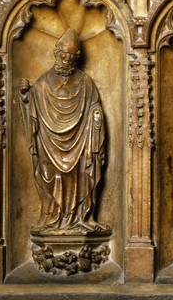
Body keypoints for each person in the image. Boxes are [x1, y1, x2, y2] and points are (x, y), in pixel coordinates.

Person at [19, 28, 108, 234]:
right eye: (63, 55)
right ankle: (54, 217)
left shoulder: (86, 82)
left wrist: (96, 116)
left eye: (70, 56)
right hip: (50, 143)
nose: (66, 60)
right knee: (50, 176)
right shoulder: (42, 83)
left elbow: (94, 105)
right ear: (56, 54)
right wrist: (25, 96)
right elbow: (33, 109)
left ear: (76, 58)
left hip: (79, 141)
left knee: (82, 176)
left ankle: (80, 217)